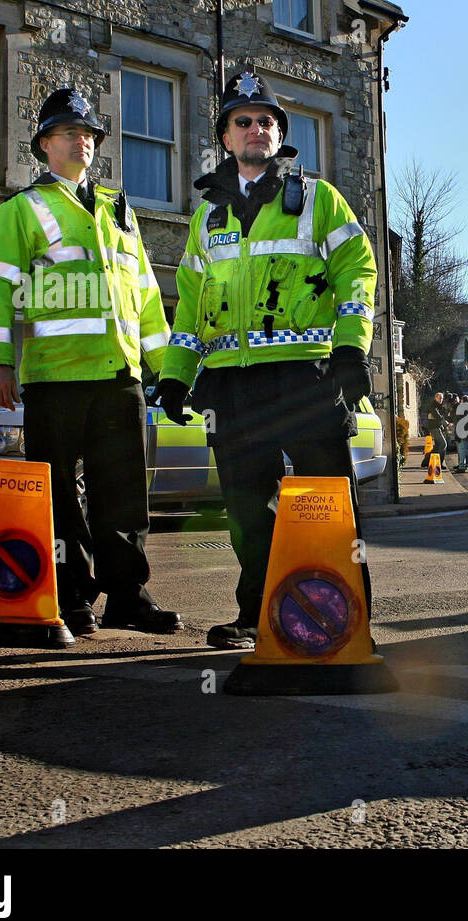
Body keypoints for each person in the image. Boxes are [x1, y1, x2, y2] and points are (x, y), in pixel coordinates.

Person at [153, 69, 378, 650]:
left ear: (281, 136)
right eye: (243, 121)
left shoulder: (319, 199)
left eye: (268, 121)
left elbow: (358, 272)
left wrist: (352, 348)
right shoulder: (207, 217)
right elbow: (191, 306)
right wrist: (177, 377)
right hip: (231, 385)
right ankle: (257, 615)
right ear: (226, 137)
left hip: (307, 378)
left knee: (328, 503)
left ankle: (350, 618)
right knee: (247, 513)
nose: (257, 129)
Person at [0, 88, 182, 637]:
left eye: (89, 133)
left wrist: (168, 368)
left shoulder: (118, 209)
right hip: (55, 377)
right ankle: (70, 598)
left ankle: (128, 598)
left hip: (120, 377)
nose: (82, 140)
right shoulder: (23, 210)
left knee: (124, 495)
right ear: (44, 145)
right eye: (69, 132)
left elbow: (147, 296)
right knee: (59, 497)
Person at [422, 391, 452, 470]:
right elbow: (437, 415)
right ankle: (439, 463)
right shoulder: (433, 405)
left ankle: (427, 461)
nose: (441, 399)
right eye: (439, 398)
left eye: (442, 398)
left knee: (438, 446)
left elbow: (443, 414)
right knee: (443, 444)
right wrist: (446, 423)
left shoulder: (439, 405)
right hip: (434, 427)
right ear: (435, 398)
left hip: (438, 427)